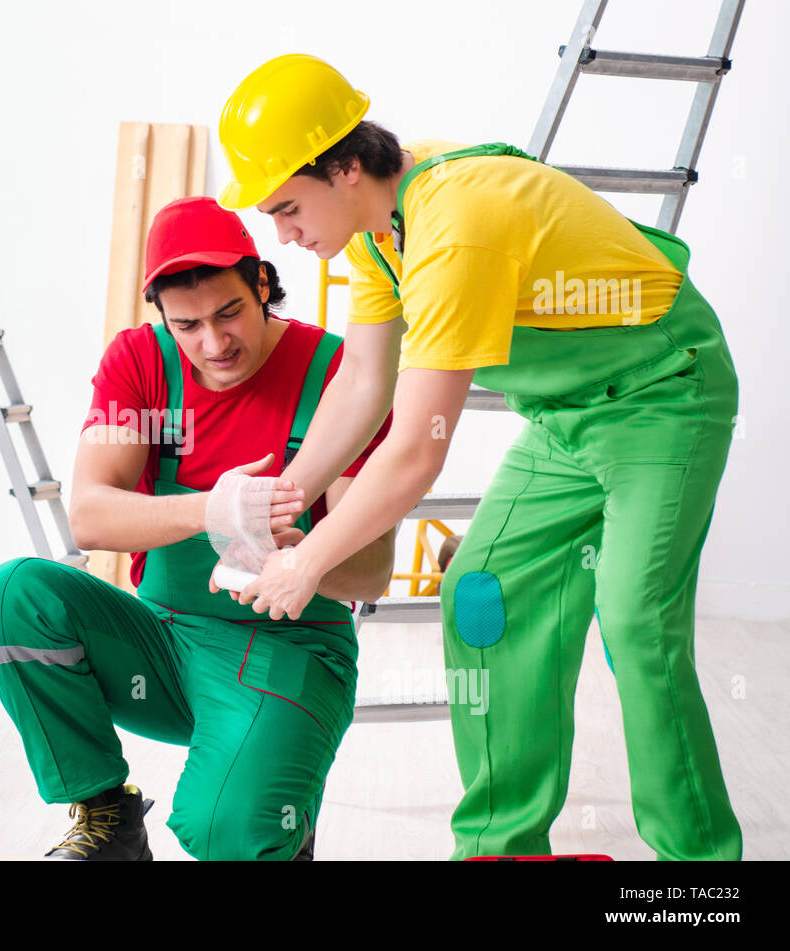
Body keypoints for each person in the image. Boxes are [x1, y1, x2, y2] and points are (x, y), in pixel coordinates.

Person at [212, 53, 742, 860]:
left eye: (286, 207)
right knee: (479, 593)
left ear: (346, 167)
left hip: (665, 396)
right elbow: (363, 384)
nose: (280, 234)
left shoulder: (455, 225)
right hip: (567, 421)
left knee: (635, 619)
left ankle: (700, 872)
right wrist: (287, 497)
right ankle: (504, 847)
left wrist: (309, 561)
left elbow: (416, 454)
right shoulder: (377, 233)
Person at [0, 195, 395, 860]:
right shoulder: (141, 362)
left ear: (261, 283)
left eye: (229, 313)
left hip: (289, 651)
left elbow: (373, 571)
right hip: (164, 646)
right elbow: (89, 515)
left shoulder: (335, 373)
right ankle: (109, 817)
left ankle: (274, 803)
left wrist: (292, 549)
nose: (214, 342)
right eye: (187, 324)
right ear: (162, 315)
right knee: (13, 594)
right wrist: (212, 511)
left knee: (229, 828)